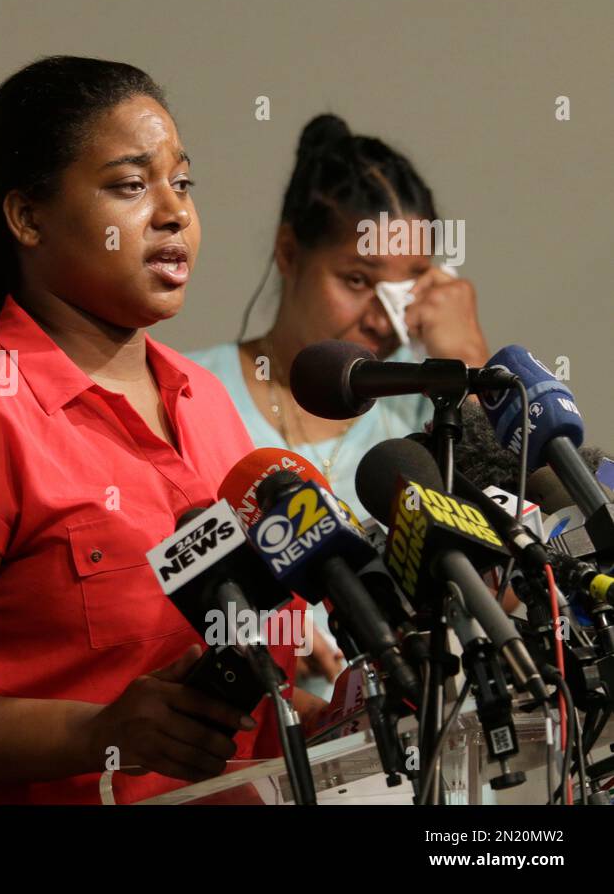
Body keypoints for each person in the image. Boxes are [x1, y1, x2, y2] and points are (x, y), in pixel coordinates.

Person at [0, 56, 321, 805]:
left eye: (182, 183)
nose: (174, 211)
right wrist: (96, 733)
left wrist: (323, 714)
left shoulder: (204, 399)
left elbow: (224, 684)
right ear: (27, 217)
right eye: (128, 185)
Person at [184, 114, 491, 694]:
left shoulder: (429, 414)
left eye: (412, 285)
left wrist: (469, 371)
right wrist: (261, 637)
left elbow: (502, 581)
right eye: (357, 280)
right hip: (274, 753)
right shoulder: (190, 390)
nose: (384, 316)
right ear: (288, 252)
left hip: (433, 747)